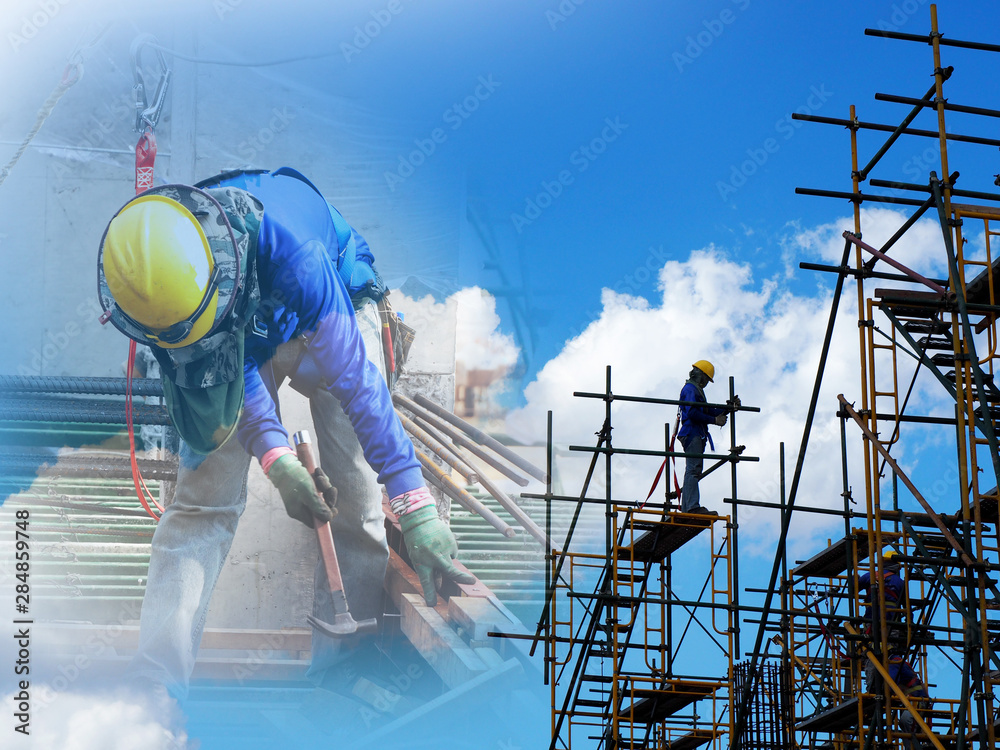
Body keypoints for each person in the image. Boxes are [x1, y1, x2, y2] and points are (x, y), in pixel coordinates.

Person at [97, 167, 473, 698]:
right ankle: (156, 683)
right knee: (202, 502)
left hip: (334, 301)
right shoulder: (160, 287)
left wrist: (416, 505)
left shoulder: (295, 258)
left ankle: (340, 679)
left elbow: (359, 385)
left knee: (359, 500)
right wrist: (280, 461)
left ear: (221, 277)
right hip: (238, 327)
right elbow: (235, 366)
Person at [677, 360, 729, 514]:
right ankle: (691, 507)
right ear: (701, 376)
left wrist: (728, 408)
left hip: (695, 433)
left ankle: (688, 507)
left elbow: (707, 411)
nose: (706, 383)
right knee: (693, 470)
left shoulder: (695, 390)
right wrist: (714, 420)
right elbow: (693, 413)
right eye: (707, 379)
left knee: (693, 470)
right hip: (692, 433)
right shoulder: (691, 389)